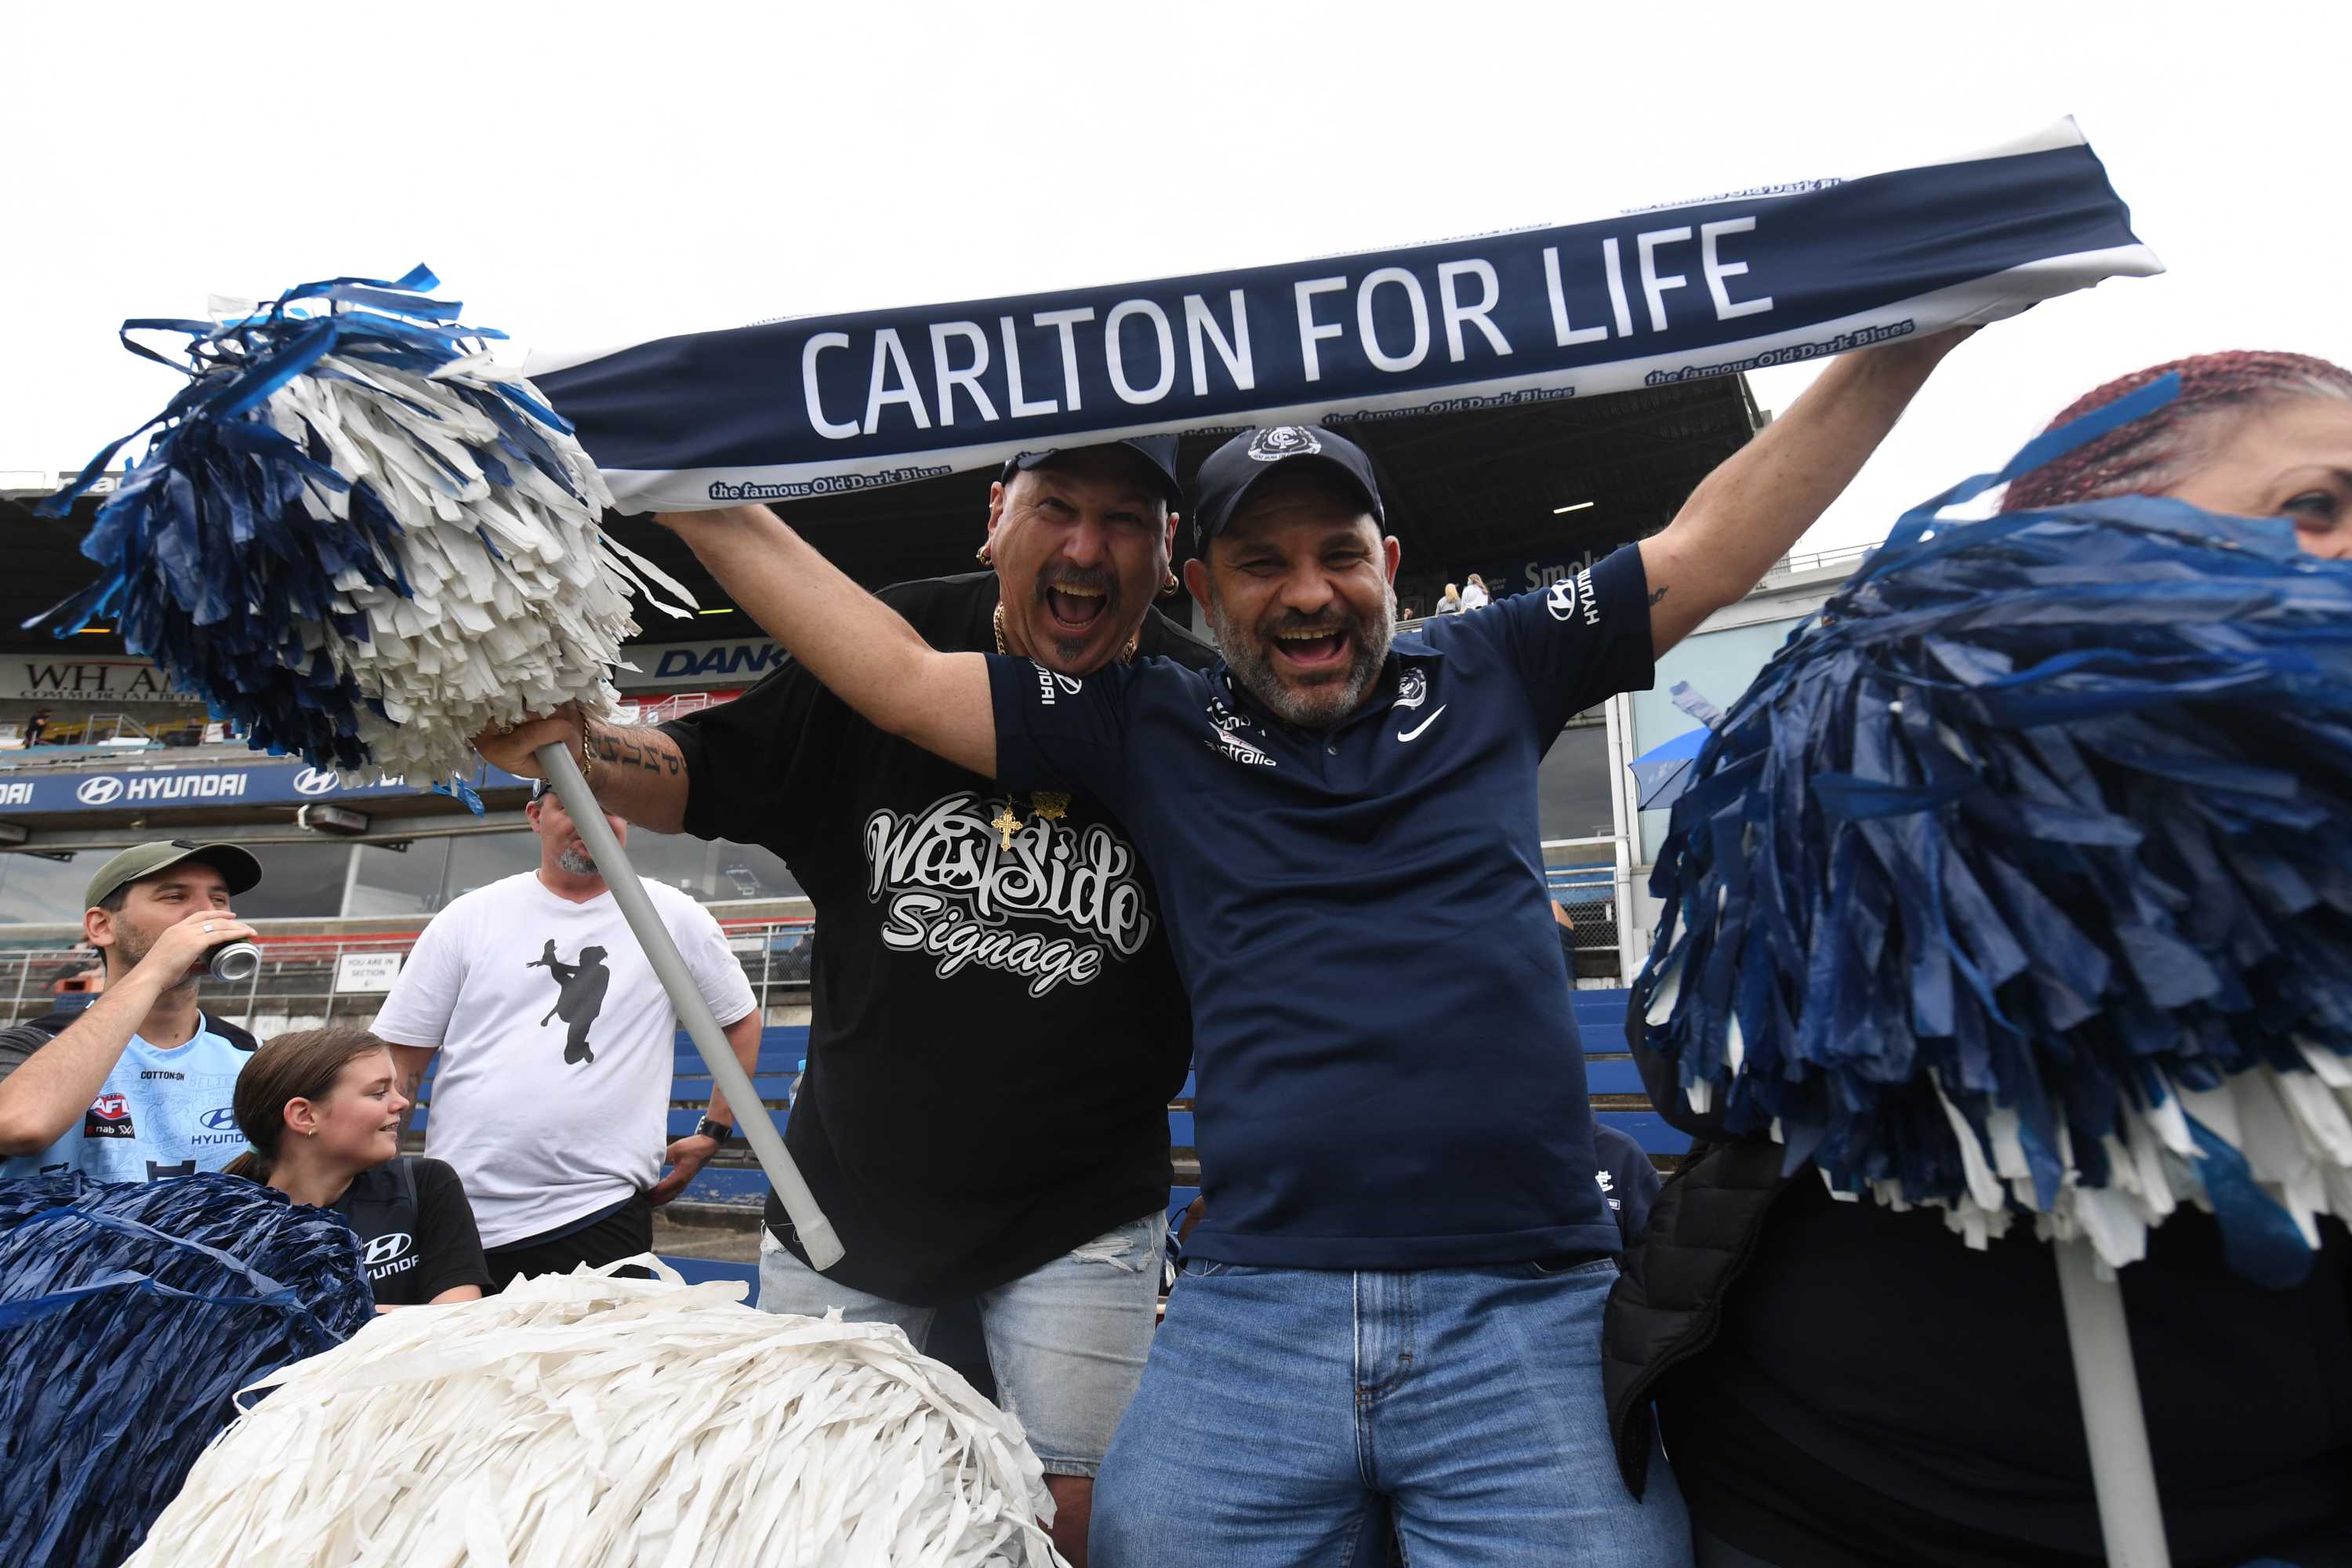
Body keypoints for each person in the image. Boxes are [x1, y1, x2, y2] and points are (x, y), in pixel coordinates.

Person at [633, 326, 1972, 1565]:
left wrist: (1916, 337)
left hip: (1524, 1301)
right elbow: (896, 675)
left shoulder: (1497, 665)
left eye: (1337, 551)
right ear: (1204, 591)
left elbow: (1710, 548)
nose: (1307, 591)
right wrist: (685, 486)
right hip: (1256, 1310)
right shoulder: (1148, 721)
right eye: (1263, 565)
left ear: (1390, 562)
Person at [1603, 348, 2352, 1568]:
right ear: (2077, 544)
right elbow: (1703, 1070)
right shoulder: (1885, 785)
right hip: (1831, 1498)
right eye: (2313, 507)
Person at [481, 437, 1210, 1566]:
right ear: (995, 516)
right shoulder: (894, 629)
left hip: (1082, 1209)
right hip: (847, 1203)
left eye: (1126, 521)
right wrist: (570, 748)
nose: (1085, 546)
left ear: (1169, 556)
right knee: (818, 1505)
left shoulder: (1188, 700)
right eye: (1056, 506)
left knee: (1081, 1519)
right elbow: (705, 771)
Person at [368, 779, 760, 1290]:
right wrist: (384, 1170)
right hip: (462, 1211)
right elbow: (404, 1053)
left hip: (599, 1206)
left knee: (593, 1368)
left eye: (613, 809)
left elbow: (739, 1021)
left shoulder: (672, 916)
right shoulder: (469, 917)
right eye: (572, 805)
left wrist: (714, 1132)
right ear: (535, 815)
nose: (596, 819)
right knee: (465, 1367)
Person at [0, 840, 262, 1178]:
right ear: (101, 926)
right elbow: (19, 1125)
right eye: (175, 897)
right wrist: (154, 972)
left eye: (218, 899)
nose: (206, 914)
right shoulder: (32, 1043)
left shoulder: (250, 1054)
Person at [225, 1027, 488, 1308]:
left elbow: (459, 1322)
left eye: (396, 1089)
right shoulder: (228, 1226)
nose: (402, 1102)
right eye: (379, 1093)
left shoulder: (426, 1185)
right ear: (305, 1115)